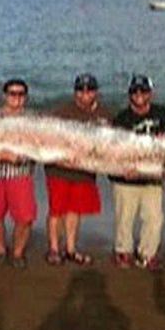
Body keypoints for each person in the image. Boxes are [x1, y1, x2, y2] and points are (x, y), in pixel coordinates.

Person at [44, 73, 112, 266]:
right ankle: (54, 249)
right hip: (59, 169)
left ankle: (71, 249)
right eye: (80, 91)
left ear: (96, 92)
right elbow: (48, 137)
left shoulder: (105, 114)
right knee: (57, 210)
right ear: (75, 93)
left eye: (89, 90)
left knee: (75, 209)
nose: (84, 94)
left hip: (85, 170)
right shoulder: (62, 112)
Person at [110, 75, 165, 272]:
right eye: (134, 91)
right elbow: (114, 149)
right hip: (125, 175)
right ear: (129, 95)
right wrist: (123, 169)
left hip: (151, 175)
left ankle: (148, 253)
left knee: (154, 218)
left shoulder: (161, 113)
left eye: (143, 91)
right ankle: (123, 250)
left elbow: (164, 143)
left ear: (150, 94)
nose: (139, 95)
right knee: (124, 217)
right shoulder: (121, 118)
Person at [0, 79, 37, 268]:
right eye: (12, 93)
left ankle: (18, 253)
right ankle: (0, 250)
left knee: (25, 217)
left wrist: (18, 157)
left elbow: (39, 146)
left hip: (20, 172)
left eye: (21, 94)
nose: (16, 98)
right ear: (5, 96)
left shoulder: (33, 121)